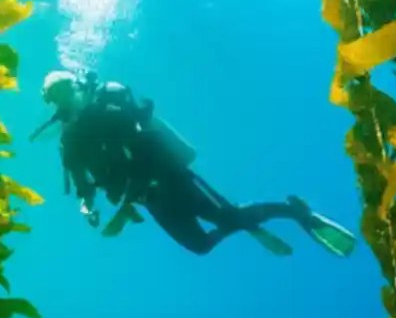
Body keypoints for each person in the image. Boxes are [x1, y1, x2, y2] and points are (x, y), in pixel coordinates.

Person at [33, 69, 358, 258]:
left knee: (225, 217)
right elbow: (81, 184)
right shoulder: (69, 142)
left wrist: (122, 210)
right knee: (200, 246)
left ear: (78, 86)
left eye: (66, 90)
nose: (63, 100)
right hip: (151, 201)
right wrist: (87, 208)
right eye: (54, 96)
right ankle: (245, 224)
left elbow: (145, 162)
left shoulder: (112, 115)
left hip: (175, 181)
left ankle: (297, 212)